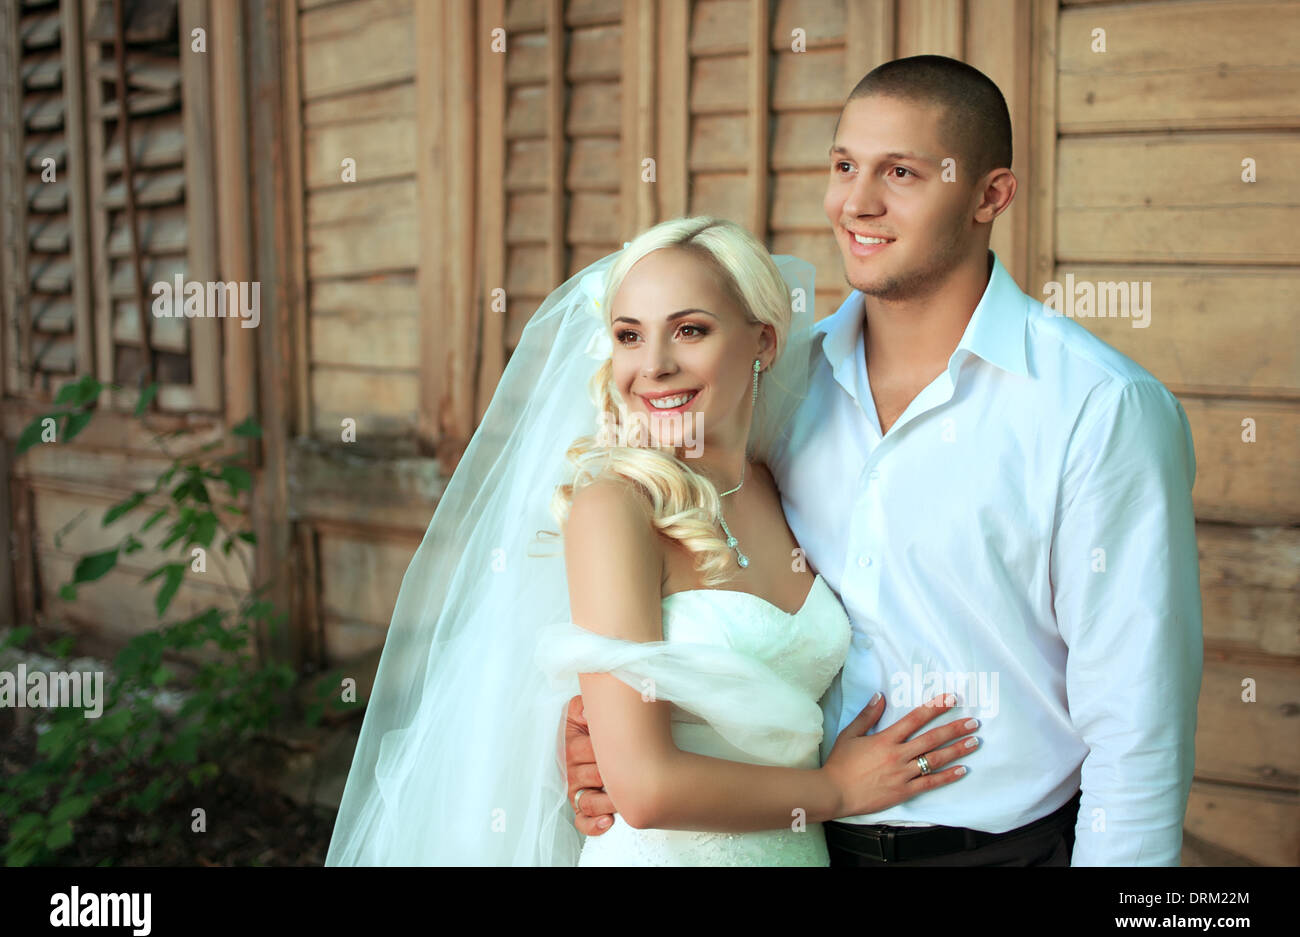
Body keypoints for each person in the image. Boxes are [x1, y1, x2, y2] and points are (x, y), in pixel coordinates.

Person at [565, 55, 1203, 867]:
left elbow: (1140, 722)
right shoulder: (776, 386)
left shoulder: (1097, 408)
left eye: (900, 172)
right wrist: (604, 731)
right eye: (843, 167)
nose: (856, 204)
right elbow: (684, 594)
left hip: (1002, 852)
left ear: (990, 195)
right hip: (801, 841)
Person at [325, 214, 979, 867]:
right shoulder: (616, 509)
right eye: (629, 336)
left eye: (690, 330)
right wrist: (835, 789)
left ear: (765, 342)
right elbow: (642, 789)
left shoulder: (779, 483)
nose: (655, 366)